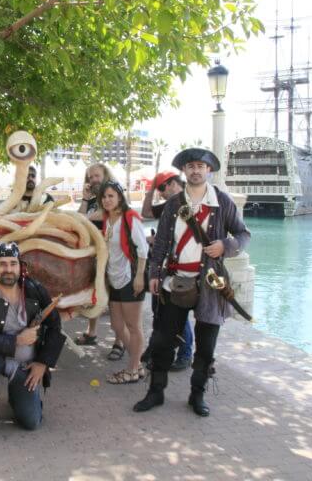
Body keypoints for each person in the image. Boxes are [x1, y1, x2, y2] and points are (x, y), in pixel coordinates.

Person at [134, 148, 250, 416]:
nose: (196, 170)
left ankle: (197, 395)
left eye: (201, 166)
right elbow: (162, 241)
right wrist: (154, 274)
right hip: (175, 283)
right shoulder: (174, 204)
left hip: (210, 285)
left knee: (206, 346)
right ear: (184, 171)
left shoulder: (222, 201)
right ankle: (156, 392)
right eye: (191, 166)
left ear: (209, 170)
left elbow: (243, 234)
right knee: (163, 341)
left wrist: (225, 245)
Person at [0, 242, 65, 448]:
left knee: (31, 422)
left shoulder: (35, 290)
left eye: (13, 263)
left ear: (21, 266)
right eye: (3, 264)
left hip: (26, 364)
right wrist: (16, 340)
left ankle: (17, 394)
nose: (8, 269)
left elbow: (55, 328)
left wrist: (43, 363)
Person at [140, 171, 193, 371]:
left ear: (172, 184)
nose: (160, 193)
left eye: (162, 188)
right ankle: (157, 349)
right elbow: (146, 212)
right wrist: (152, 188)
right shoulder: (169, 206)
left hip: (181, 269)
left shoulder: (187, 204)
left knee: (178, 312)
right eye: (159, 189)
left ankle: (186, 354)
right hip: (162, 268)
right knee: (158, 311)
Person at [98, 181, 149, 383]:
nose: (107, 200)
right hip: (114, 278)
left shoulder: (130, 218)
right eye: (104, 197)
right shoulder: (107, 219)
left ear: (120, 197)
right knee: (117, 326)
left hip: (131, 277)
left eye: (111, 195)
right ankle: (137, 364)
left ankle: (132, 369)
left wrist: (139, 276)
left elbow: (143, 249)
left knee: (133, 326)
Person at [74, 163, 118, 348]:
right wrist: (84, 199)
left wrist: (85, 219)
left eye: (96, 176)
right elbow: (79, 217)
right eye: (90, 177)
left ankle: (119, 342)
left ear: (105, 175)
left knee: (115, 297)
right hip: (95, 252)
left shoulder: (114, 193)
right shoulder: (92, 198)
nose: (93, 180)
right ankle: (91, 333)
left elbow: (107, 214)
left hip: (114, 253)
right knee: (96, 291)